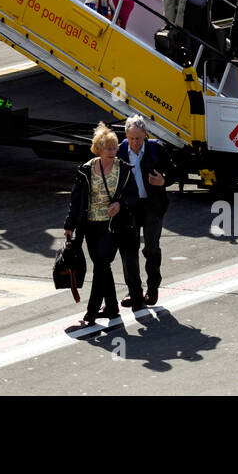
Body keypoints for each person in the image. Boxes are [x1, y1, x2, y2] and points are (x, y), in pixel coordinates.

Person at [64, 123, 140, 328]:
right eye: (109, 149)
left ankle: (91, 312)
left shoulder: (123, 169)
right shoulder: (86, 170)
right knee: (101, 265)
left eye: (115, 148)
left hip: (112, 226)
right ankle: (112, 308)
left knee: (102, 264)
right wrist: (70, 225)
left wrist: (119, 203)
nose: (113, 152)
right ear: (98, 149)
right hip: (89, 226)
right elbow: (76, 199)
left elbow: (133, 196)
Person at [116, 115, 170, 308]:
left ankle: (153, 287)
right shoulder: (120, 150)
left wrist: (164, 180)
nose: (134, 142)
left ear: (145, 135)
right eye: (131, 138)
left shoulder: (156, 149)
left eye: (138, 138)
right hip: (129, 207)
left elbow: (175, 171)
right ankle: (135, 292)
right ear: (126, 136)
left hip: (152, 205)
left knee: (151, 249)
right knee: (128, 251)